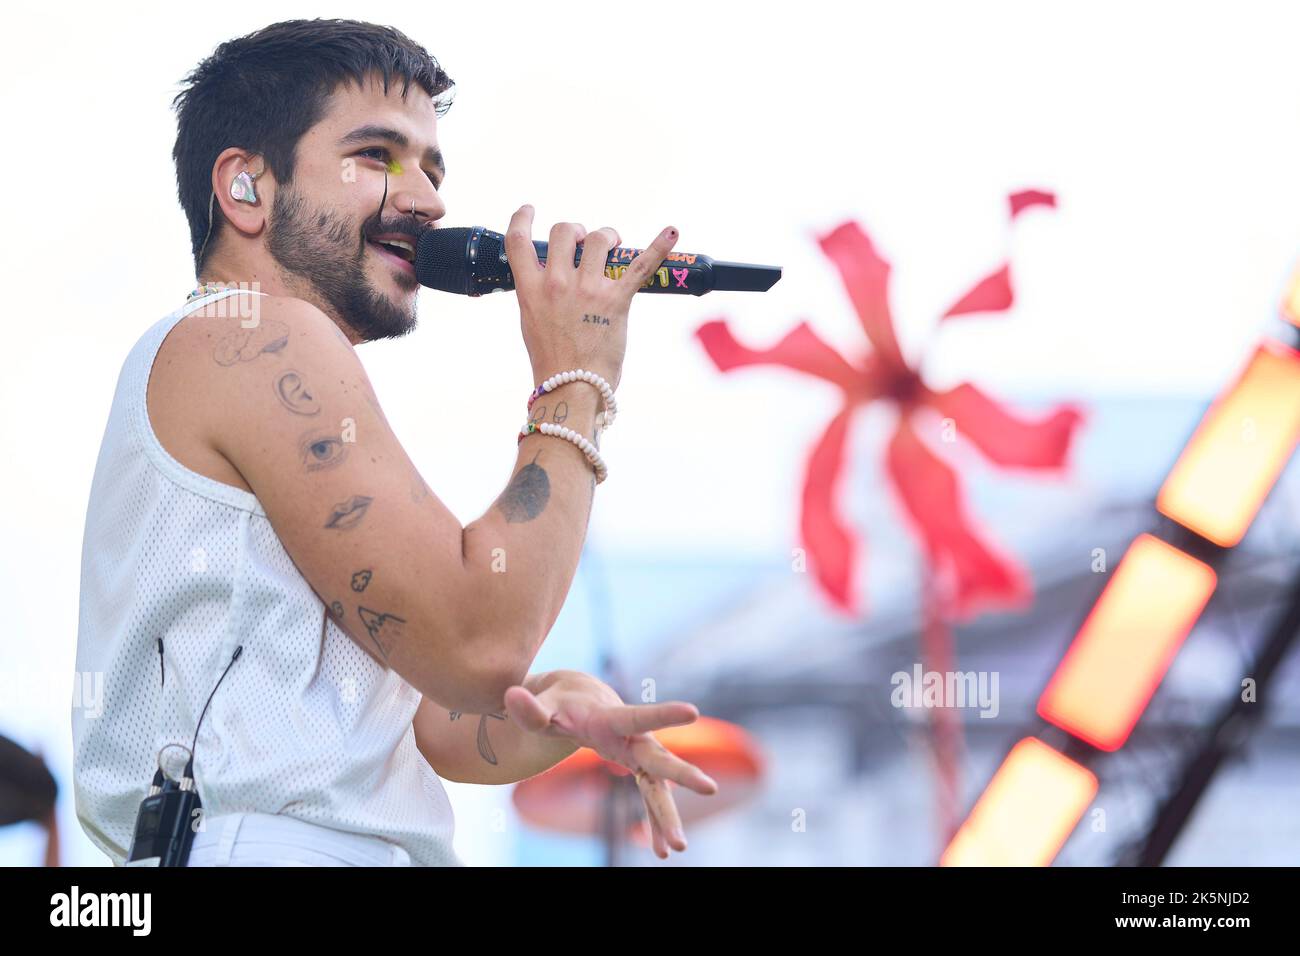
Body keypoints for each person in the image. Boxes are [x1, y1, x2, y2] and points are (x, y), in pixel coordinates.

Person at [72, 17, 716, 867]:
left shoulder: (248, 359)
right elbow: (479, 646)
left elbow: (431, 718)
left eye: (433, 166)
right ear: (245, 189)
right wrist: (574, 378)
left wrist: (557, 708)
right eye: (377, 155)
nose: (428, 201)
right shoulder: (253, 333)